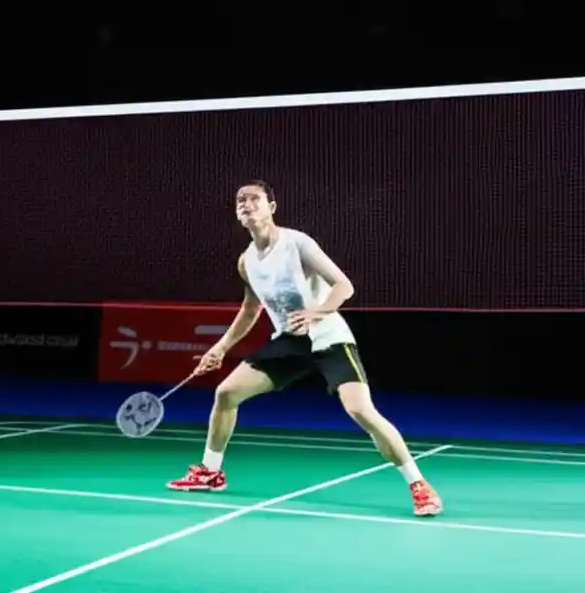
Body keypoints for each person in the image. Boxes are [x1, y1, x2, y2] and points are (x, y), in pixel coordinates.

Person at [165, 180, 443, 518]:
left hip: (328, 336)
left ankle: (418, 484)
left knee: (360, 410)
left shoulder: (297, 243)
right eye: (240, 200)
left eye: (255, 198)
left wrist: (317, 311)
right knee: (226, 393)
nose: (246, 203)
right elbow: (251, 309)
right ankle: (210, 471)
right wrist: (221, 347)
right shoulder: (246, 261)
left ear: (272, 206)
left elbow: (344, 285)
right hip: (289, 340)